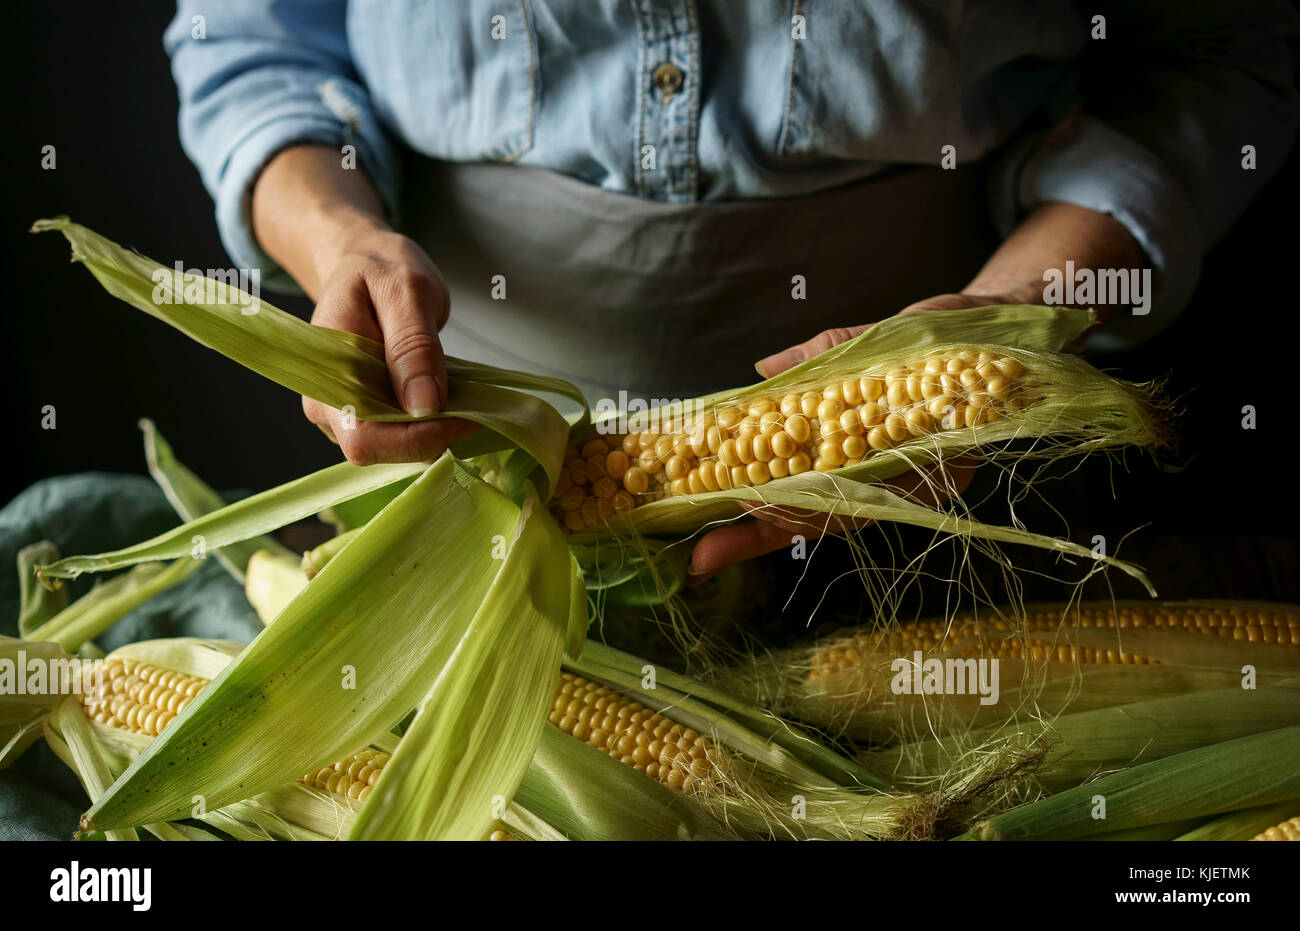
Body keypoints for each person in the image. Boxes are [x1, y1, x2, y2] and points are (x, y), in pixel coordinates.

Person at [165, 1, 1298, 577]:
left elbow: (1208, 54)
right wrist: (336, 240)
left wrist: (998, 338)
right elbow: (253, 35)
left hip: (939, 496)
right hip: (454, 459)